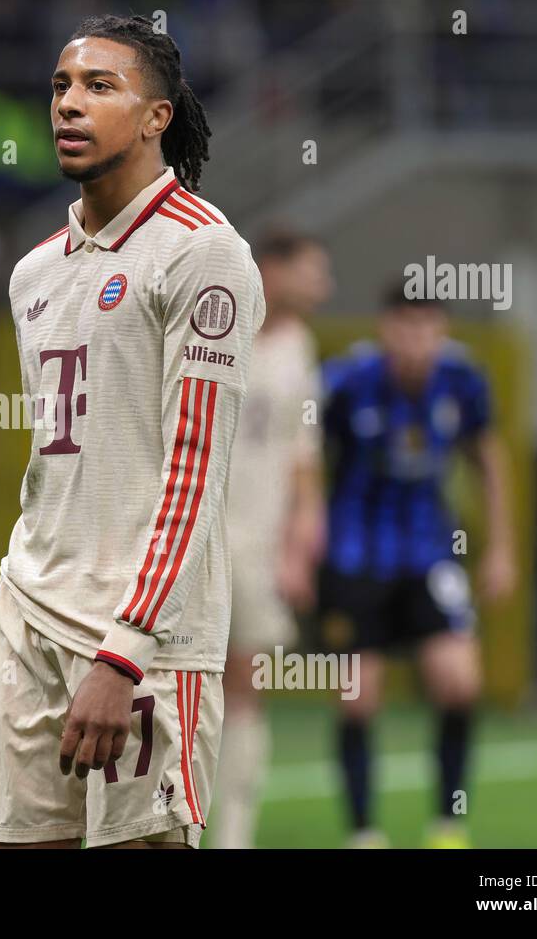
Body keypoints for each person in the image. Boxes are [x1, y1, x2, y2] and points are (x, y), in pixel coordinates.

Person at [0, 14, 265, 849]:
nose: (69, 103)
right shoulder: (34, 272)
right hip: (28, 613)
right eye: (61, 86)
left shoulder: (205, 255)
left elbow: (193, 470)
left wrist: (124, 652)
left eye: (99, 87)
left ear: (155, 117)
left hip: (143, 642)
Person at [319, 283, 517, 848]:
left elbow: (489, 457)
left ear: (443, 330)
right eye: (405, 327)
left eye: (428, 327)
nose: (416, 341)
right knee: (360, 697)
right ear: (386, 329)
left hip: (430, 554)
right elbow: (306, 459)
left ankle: (448, 825)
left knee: (460, 682)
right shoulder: (349, 382)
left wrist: (501, 547)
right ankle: (363, 831)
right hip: (357, 557)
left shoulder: (464, 380)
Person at [212, 228, 331, 849]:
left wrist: (301, 538)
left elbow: (301, 453)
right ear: (272, 268)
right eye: (313, 271)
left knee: (247, 684)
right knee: (171, 684)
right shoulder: (212, 321)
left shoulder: (300, 349)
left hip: (257, 542)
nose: (323, 286)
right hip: (192, 536)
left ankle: (234, 832)